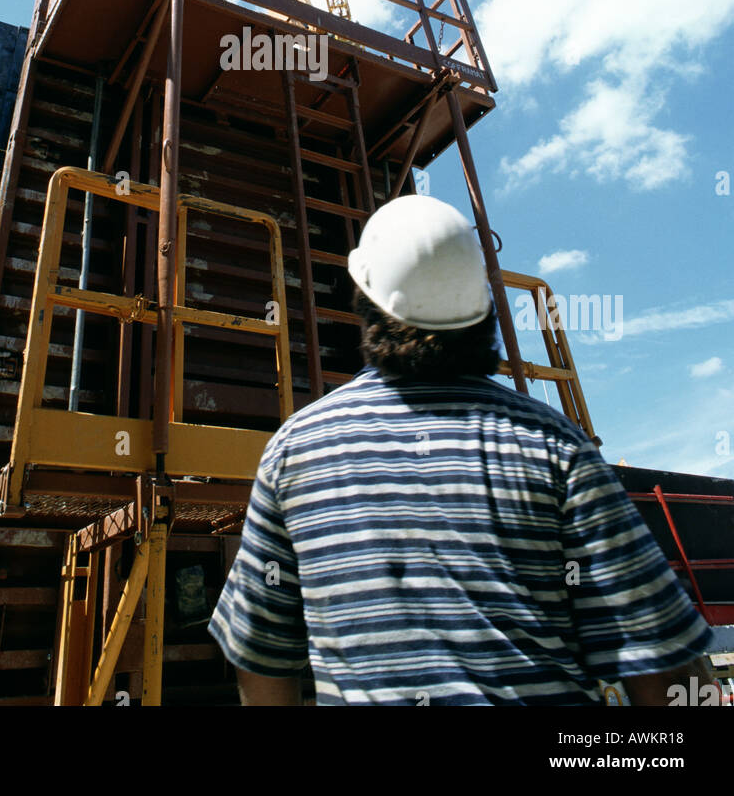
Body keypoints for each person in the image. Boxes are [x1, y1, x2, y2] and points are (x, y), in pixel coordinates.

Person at [208, 194, 716, 706]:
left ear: (364, 303)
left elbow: (261, 657)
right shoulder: (557, 447)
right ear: (485, 311)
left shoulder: (295, 451)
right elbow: (663, 660)